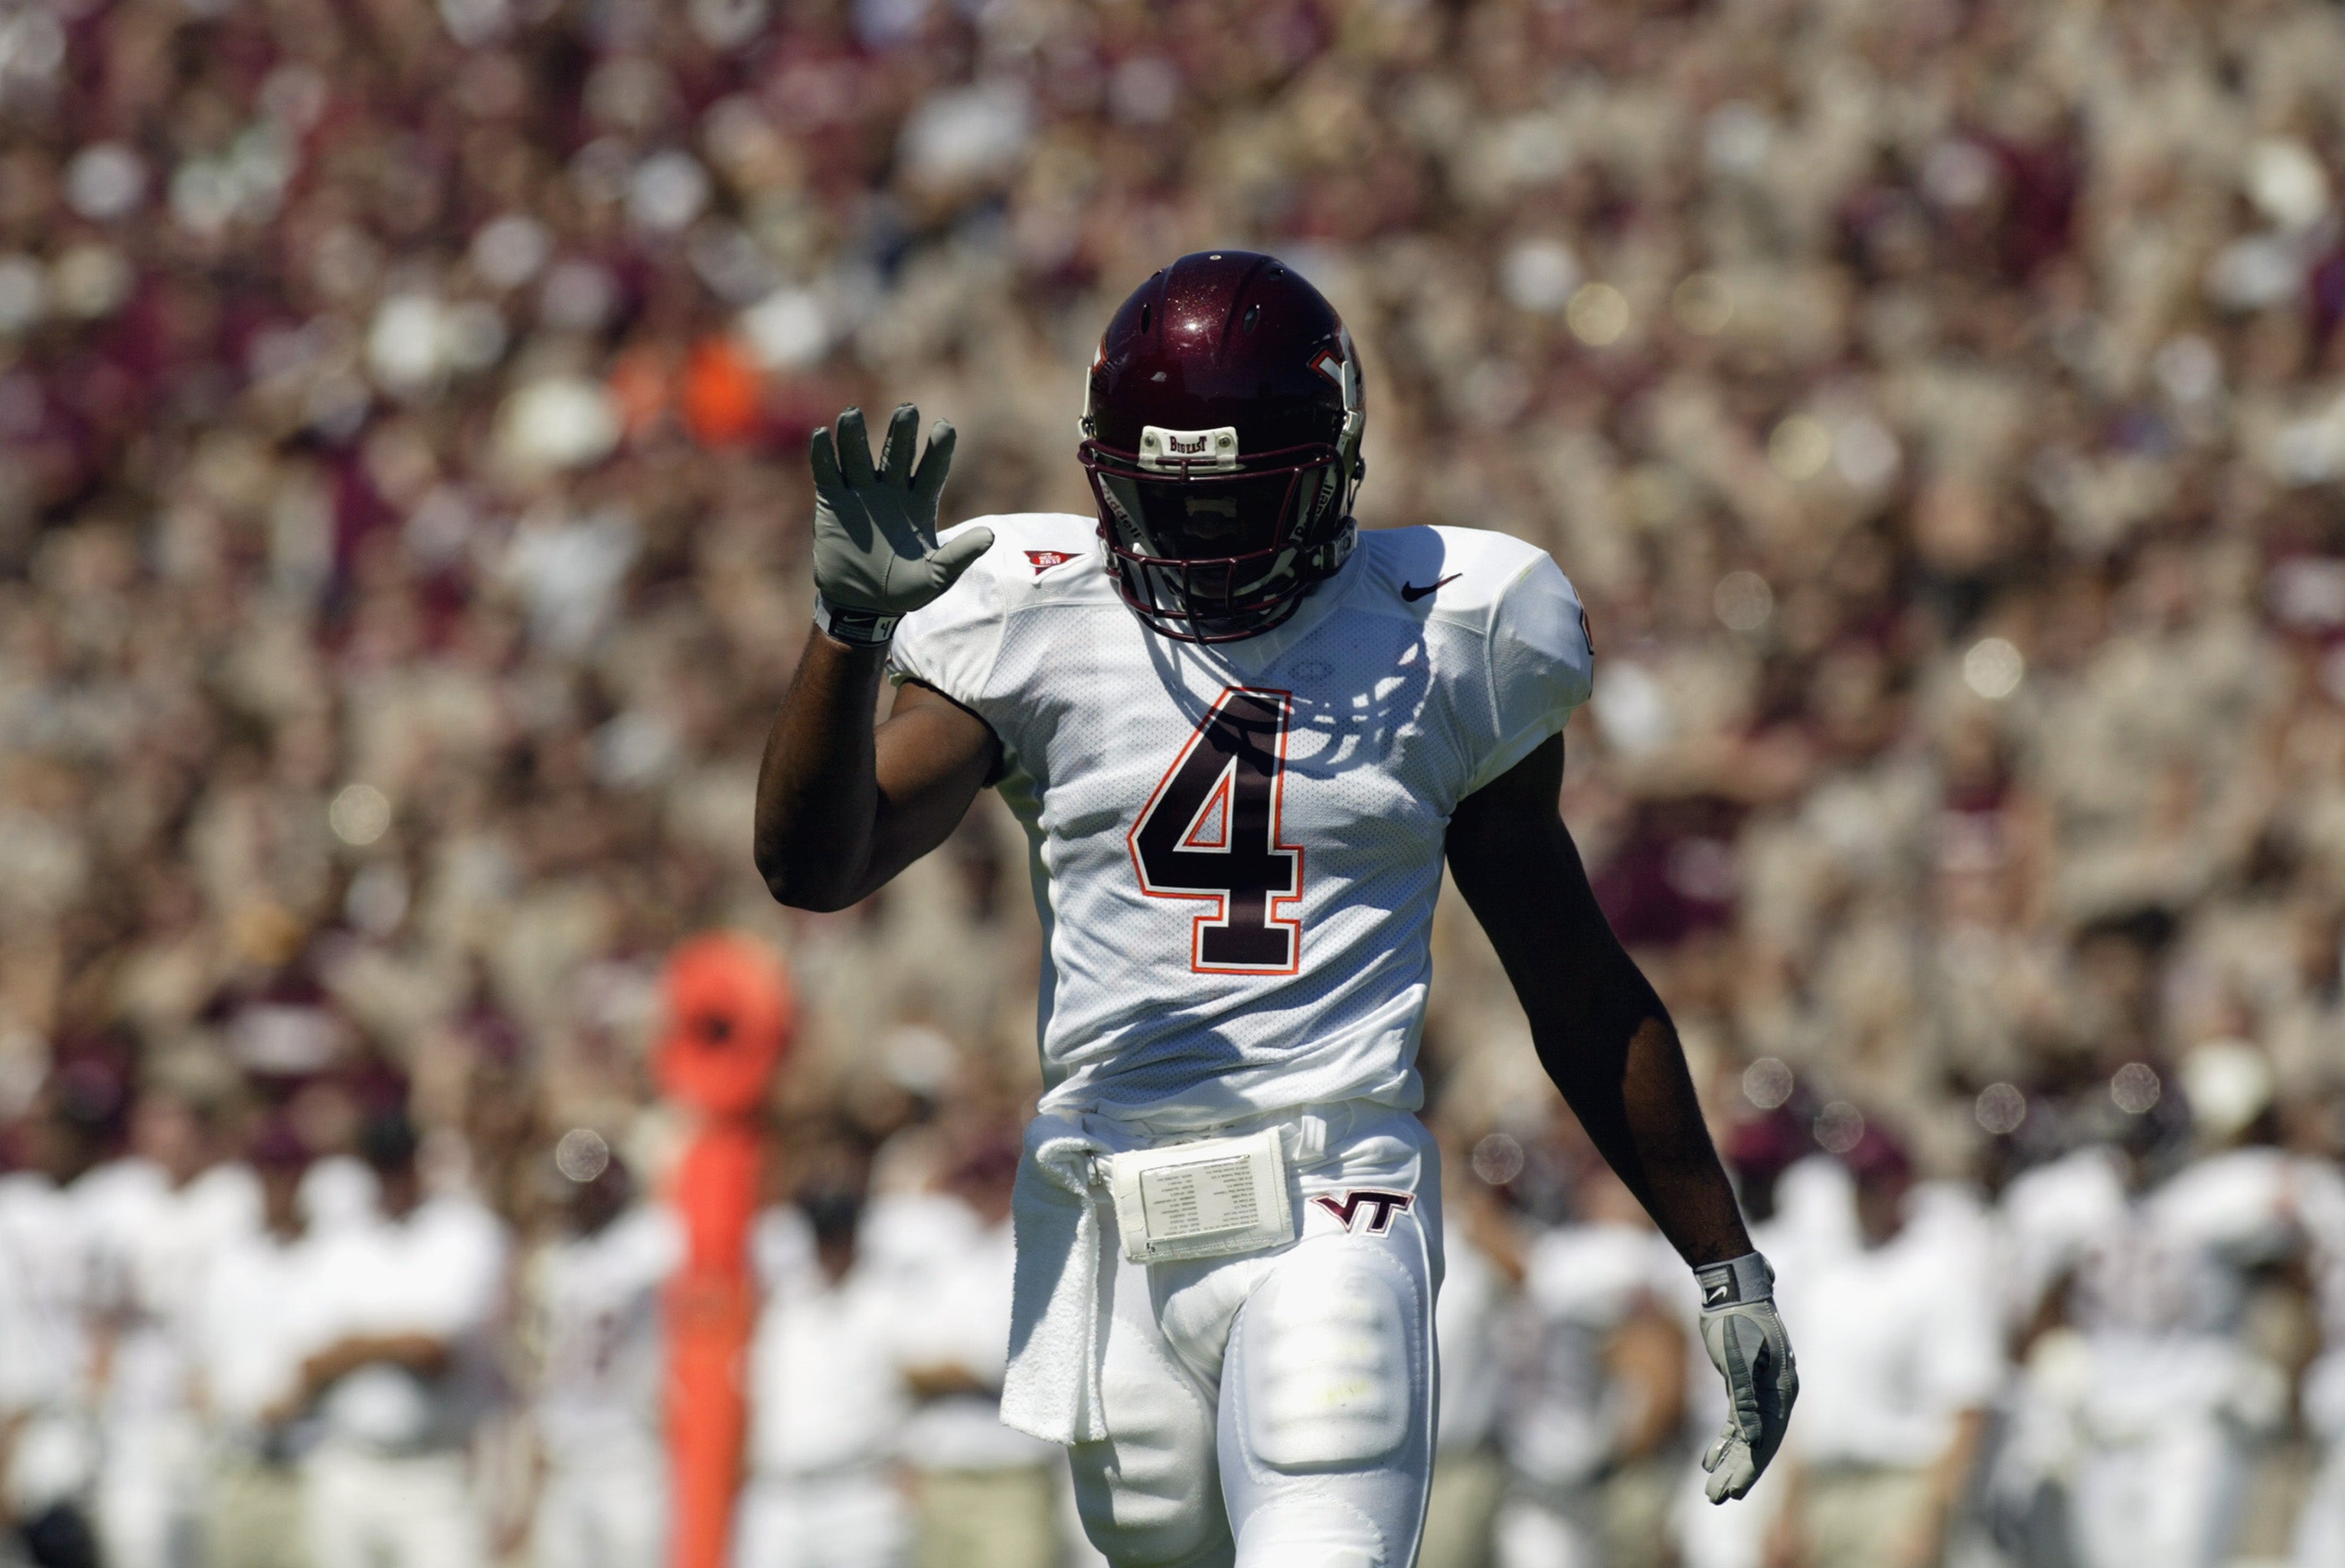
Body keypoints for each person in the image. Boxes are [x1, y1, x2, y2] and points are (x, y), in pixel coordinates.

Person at [753, 250, 1798, 1568]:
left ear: (1337, 463)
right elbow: (814, 867)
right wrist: (847, 631)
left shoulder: (1454, 624)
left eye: (1238, 500)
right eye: (1166, 502)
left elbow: (1569, 974)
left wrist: (1722, 1262)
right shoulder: (1023, 603)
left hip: (1331, 1179)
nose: (1201, 541)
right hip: (1106, 1195)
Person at [1759, 1124, 2000, 1568]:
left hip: (1898, 1484)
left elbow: (1967, 1405)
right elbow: (1805, 1402)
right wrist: (1786, 1508)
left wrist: (1930, 1515)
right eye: (1854, 1182)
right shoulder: (1827, 1278)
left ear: (1902, 1184)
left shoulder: (1939, 1274)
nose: (1861, 1195)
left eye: (1873, 1182)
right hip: (1824, 1485)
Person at [279, 1112, 508, 1568]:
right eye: (381, 1165)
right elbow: (308, 1361)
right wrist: (390, 1343)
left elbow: (432, 1350)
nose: (392, 1177)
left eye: (399, 1163)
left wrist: (353, 1346)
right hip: (349, 1462)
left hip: (435, 1470)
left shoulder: (465, 1232)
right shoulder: (340, 1240)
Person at [736, 1155, 912, 1568]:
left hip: (858, 1494)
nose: (831, 1246)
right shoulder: (787, 1300)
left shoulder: (889, 1298)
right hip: (778, 1496)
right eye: (823, 1234)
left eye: (839, 1233)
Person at [516, 1142, 678, 1568]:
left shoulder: (652, 1243)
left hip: (632, 1453)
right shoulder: (557, 1258)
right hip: (567, 1453)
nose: (567, 1208)